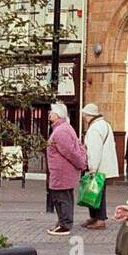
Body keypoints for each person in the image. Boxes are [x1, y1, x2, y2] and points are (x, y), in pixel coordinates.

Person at [45, 101, 88, 235]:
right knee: (64, 197)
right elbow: (78, 147)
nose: (49, 114)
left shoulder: (60, 131)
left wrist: (81, 163)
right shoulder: (65, 128)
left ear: (57, 114)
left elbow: (70, 152)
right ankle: (63, 222)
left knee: (61, 198)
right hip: (64, 171)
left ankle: (65, 224)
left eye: (51, 112)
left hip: (62, 172)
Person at [81, 102, 120, 229]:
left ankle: (100, 219)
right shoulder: (105, 125)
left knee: (97, 193)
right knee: (95, 192)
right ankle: (94, 217)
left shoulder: (94, 129)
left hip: (99, 167)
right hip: (106, 165)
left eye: (84, 115)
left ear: (88, 116)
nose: (83, 118)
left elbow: (94, 150)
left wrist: (92, 168)